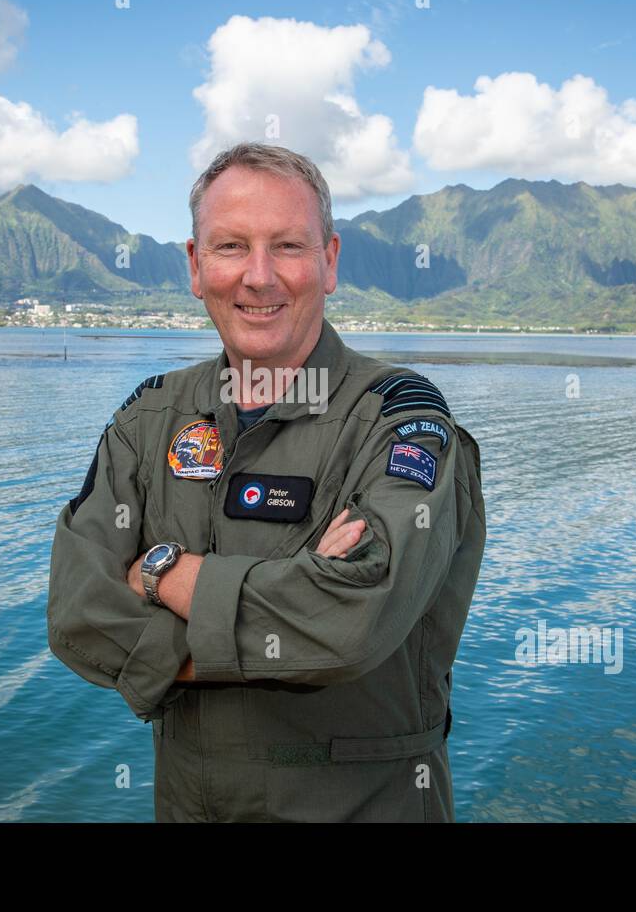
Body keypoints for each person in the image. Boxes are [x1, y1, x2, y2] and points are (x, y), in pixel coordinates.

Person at [46, 142, 486, 822]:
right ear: (195, 267)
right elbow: (77, 611)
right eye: (230, 247)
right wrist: (289, 601)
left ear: (329, 262)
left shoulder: (399, 423)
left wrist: (163, 574)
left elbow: (354, 619)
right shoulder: (149, 420)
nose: (259, 277)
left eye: (287, 246)